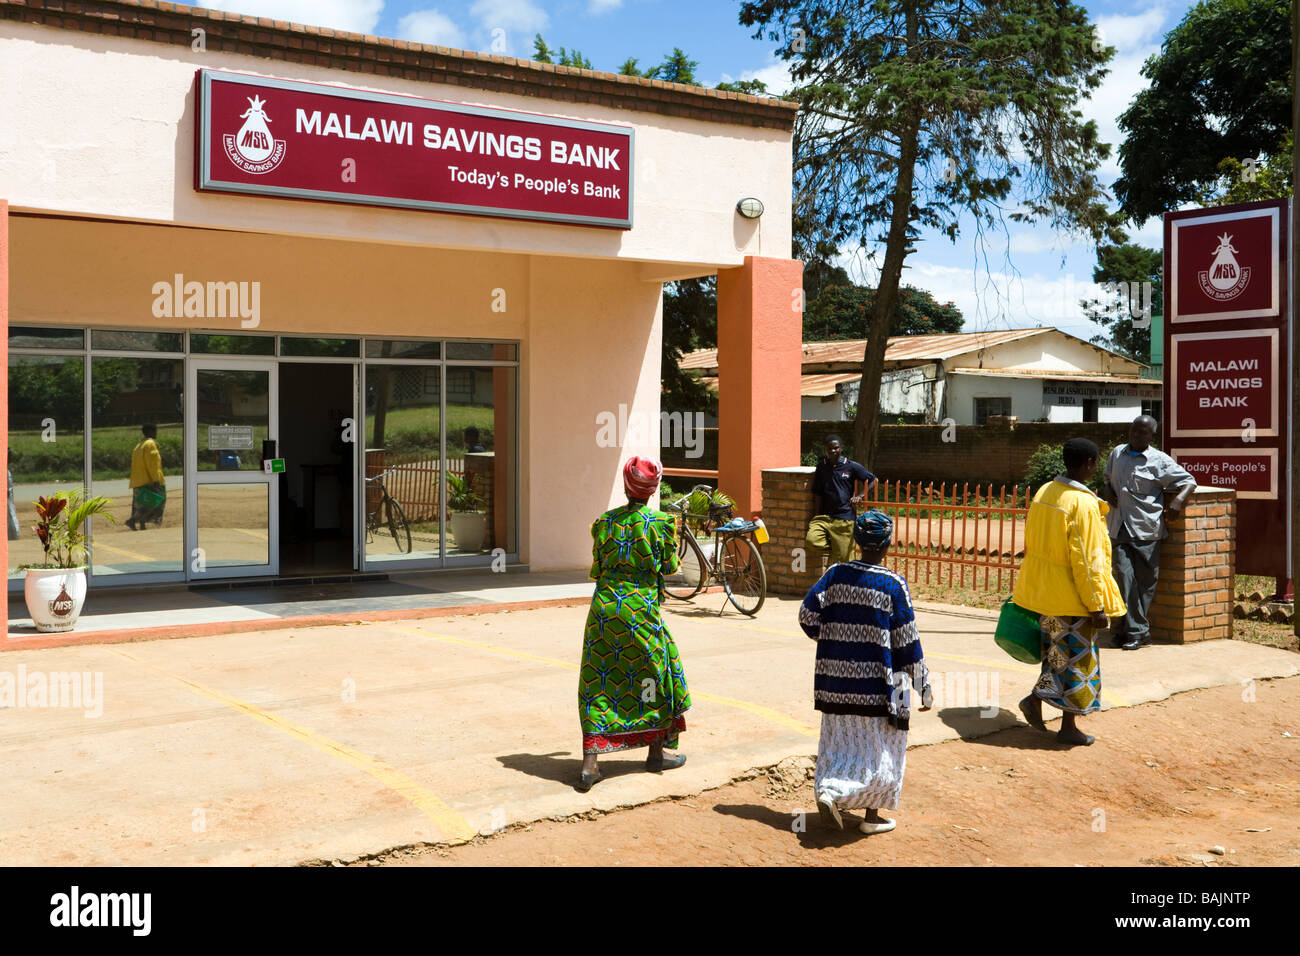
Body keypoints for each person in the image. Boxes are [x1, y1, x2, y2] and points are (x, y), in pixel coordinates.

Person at [799, 510, 932, 835]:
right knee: (883, 747)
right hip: (879, 688)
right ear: (887, 545)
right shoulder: (892, 585)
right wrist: (923, 685)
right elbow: (907, 642)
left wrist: (832, 640)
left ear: (856, 541)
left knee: (838, 743)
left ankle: (830, 791)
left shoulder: (834, 575)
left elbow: (806, 614)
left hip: (834, 684)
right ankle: (870, 816)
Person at [577, 456, 691, 792]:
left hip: (603, 610)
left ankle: (590, 765)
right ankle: (657, 752)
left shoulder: (604, 522)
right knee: (655, 675)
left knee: (597, 680)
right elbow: (668, 566)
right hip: (640, 611)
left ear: (626, 485)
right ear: (653, 489)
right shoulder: (660, 524)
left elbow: (598, 567)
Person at [1013, 438, 1127, 746]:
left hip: (1045, 596)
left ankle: (1036, 700)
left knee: (1055, 656)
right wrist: (1097, 606)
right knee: (1078, 662)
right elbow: (1087, 562)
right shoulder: (1083, 503)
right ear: (1090, 463)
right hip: (1072, 602)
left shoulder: (1045, 492)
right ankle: (1067, 726)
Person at [1103, 415, 1196, 651]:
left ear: (1151, 436)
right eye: (1133, 431)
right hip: (1119, 526)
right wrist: (1107, 490)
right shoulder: (1117, 454)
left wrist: (1178, 502)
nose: (1135, 436)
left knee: (1144, 585)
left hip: (1146, 529)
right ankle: (1136, 631)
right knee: (1124, 578)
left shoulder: (1159, 460)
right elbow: (1106, 477)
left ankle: (1127, 630)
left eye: (1142, 433)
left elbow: (1189, 481)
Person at [805, 435, 878, 568]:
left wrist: (860, 496)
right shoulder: (821, 467)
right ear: (825, 450)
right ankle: (836, 546)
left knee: (846, 561)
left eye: (836, 448)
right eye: (829, 448)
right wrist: (816, 515)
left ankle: (847, 584)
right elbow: (817, 493)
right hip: (824, 517)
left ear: (841, 448)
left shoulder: (851, 466)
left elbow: (873, 480)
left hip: (844, 518)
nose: (833, 451)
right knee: (812, 541)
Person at [126, 424, 167, 531]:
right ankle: (133, 520)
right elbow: (153, 464)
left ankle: (142, 525)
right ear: (150, 431)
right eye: (155, 431)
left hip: (137, 480)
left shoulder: (139, 445)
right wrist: (156, 479)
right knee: (157, 500)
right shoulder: (150, 444)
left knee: (141, 503)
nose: (156, 433)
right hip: (148, 480)